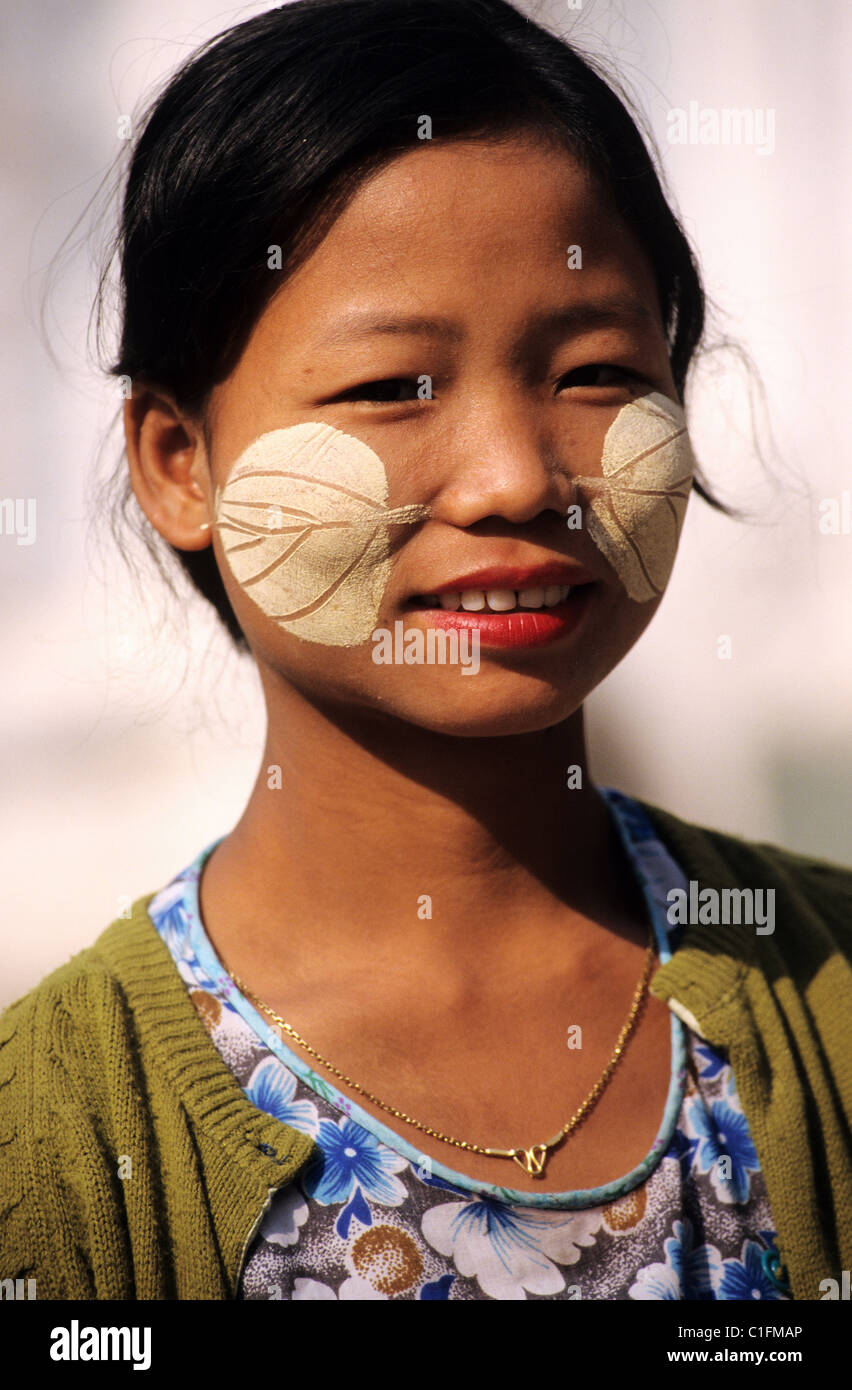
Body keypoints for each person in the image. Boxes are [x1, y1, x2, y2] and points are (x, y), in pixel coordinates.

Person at [1, 0, 849, 1303]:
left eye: (595, 371)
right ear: (179, 463)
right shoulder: (51, 1133)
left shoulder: (826, 979)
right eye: (394, 387)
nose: (516, 478)